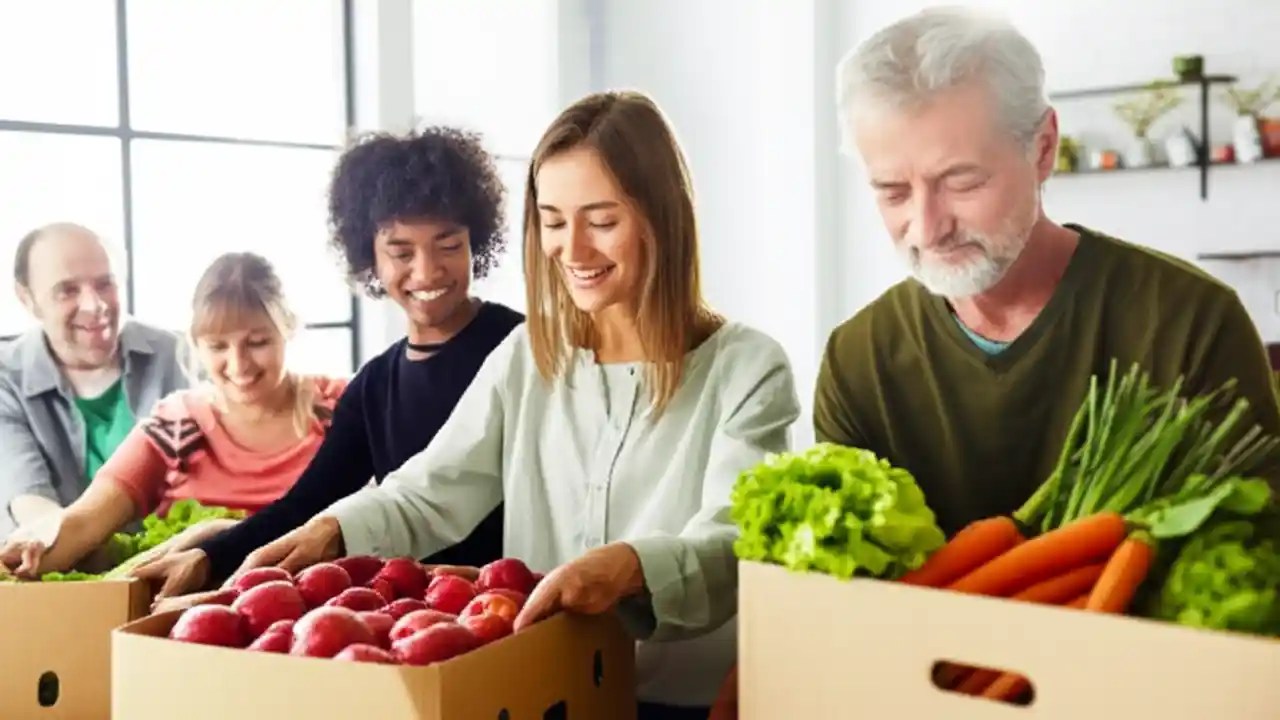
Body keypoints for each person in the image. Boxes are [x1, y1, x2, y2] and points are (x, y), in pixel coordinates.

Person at [708, 7, 1280, 716]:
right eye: (891, 191)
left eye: (961, 180)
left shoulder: (1192, 323)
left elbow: (1247, 600)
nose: (926, 226)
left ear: (1042, 148)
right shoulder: (860, 359)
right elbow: (855, 611)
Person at [227, 91, 800, 720]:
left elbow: (734, 541)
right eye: (553, 221)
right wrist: (332, 528)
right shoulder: (528, 353)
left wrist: (632, 567)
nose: (573, 251)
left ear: (662, 216)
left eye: (601, 221)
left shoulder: (746, 367)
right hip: (546, 691)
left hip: (680, 702)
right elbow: (433, 488)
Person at [132, 127, 524, 599]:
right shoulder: (374, 386)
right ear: (370, 258)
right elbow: (309, 503)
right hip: (426, 616)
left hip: (516, 601)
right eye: (401, 252)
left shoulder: (519, 346)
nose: (426, 271)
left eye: (448, 245)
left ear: (475, 242)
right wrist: (210, 554)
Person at [0, 252, 349, 577]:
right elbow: (87, 521)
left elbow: (385, 514)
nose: (239, 364)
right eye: (218, 346)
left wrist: (219, 535)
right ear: (196, 344)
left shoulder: (341, 407)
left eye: (258, 342)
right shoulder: (176, 425)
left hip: (318, 607)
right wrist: (35, 547)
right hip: (179, 620)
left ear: (287, 330)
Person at [0, 223, 188, 538]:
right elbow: (32, 509)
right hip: (59, 572)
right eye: (67, 290)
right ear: (27, 298)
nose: (95, 305)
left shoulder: (179, 356)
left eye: (105, 284)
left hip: (180, 566)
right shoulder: (6, 377)